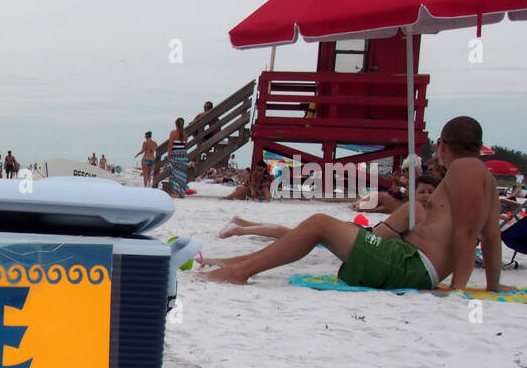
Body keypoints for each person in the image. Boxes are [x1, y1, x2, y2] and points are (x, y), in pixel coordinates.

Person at [202, 117, 508, 291]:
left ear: (442, 144)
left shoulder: (464, 169)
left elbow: (467, 235)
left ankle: (240, 272)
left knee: (319, 223)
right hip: (410, 262)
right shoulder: (488, 180)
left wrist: (457, 290)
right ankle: (237, 265)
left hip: (411, 263)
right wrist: (493, 286)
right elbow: (492, 239)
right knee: (320, 226)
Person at [214, 176, 438, 246]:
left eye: (430, 192)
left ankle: (241, 223)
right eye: (422, 191)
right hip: (363, 234)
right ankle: (238, 229)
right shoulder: (414, 211)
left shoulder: (420, 212)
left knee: (292, 232)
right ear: (413, 193)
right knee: (291, 234)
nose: (426, 196)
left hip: (363, 231)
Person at [164, 118, 188, 197]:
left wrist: (168, 156)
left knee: (174, 174)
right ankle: (181, 192)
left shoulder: (173, 133)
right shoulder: (185, 133)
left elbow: (170, 145)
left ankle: (176, 192)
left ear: (176, 124)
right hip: (183, 155)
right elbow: (185, 145)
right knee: (181, 175)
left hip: (175, 154)